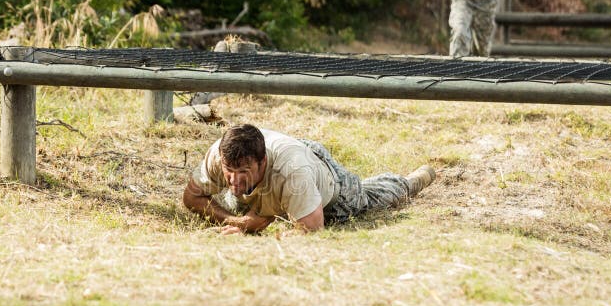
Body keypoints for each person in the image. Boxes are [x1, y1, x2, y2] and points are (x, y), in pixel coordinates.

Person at [182, 124, 435, 234]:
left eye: (243, 171)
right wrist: (238, 222)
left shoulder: (293, 173)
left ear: (263, 162)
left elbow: (313, 229)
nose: (234, 179)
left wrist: (262, 225)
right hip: (285, 168)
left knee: (366, 199)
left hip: (320, 174)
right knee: (236, 199)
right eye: (229, 171)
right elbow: (191, 197)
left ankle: (412, 180)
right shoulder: (220, 155)